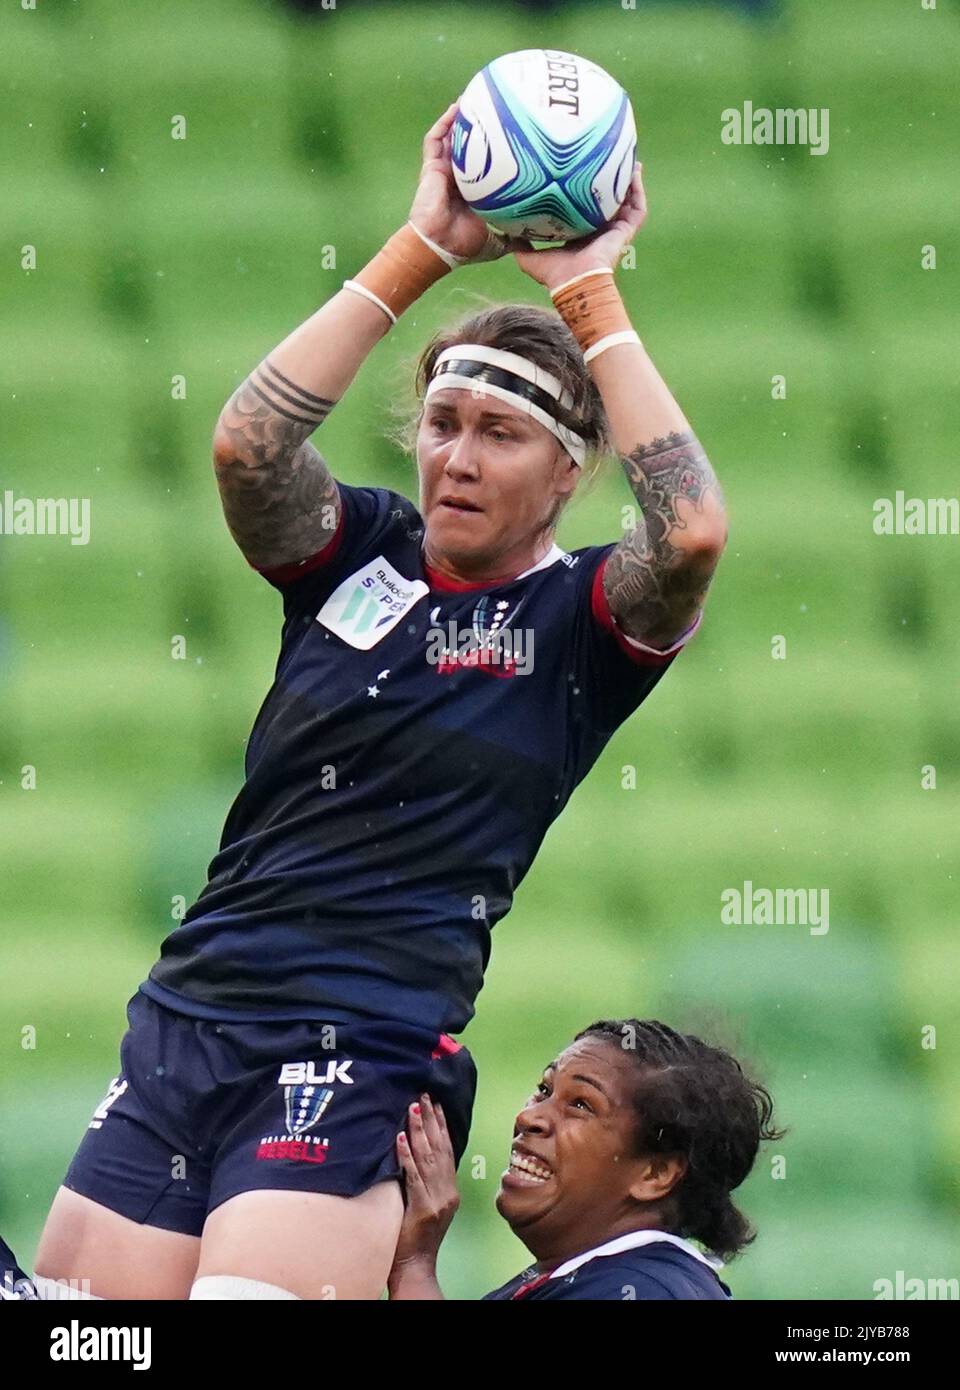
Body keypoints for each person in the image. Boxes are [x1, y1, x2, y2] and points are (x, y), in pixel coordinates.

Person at [32, 104, 727, 1301]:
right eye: (444, 425)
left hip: (352, 1046)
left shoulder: (582, 625)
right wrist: (423, 247)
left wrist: (588, 289)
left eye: (500, 434)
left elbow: (695, 527)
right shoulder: (364, 551)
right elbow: (250, 451)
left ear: (569, 469)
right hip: (187, 1016)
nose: (456, 456)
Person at [388, 1020, 782, 1301]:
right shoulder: (602, 1278)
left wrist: (414, 1269)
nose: (530, 1117)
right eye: (544, 1089)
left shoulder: (645, 1292)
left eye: (580, 1105)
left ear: (656, 1173)